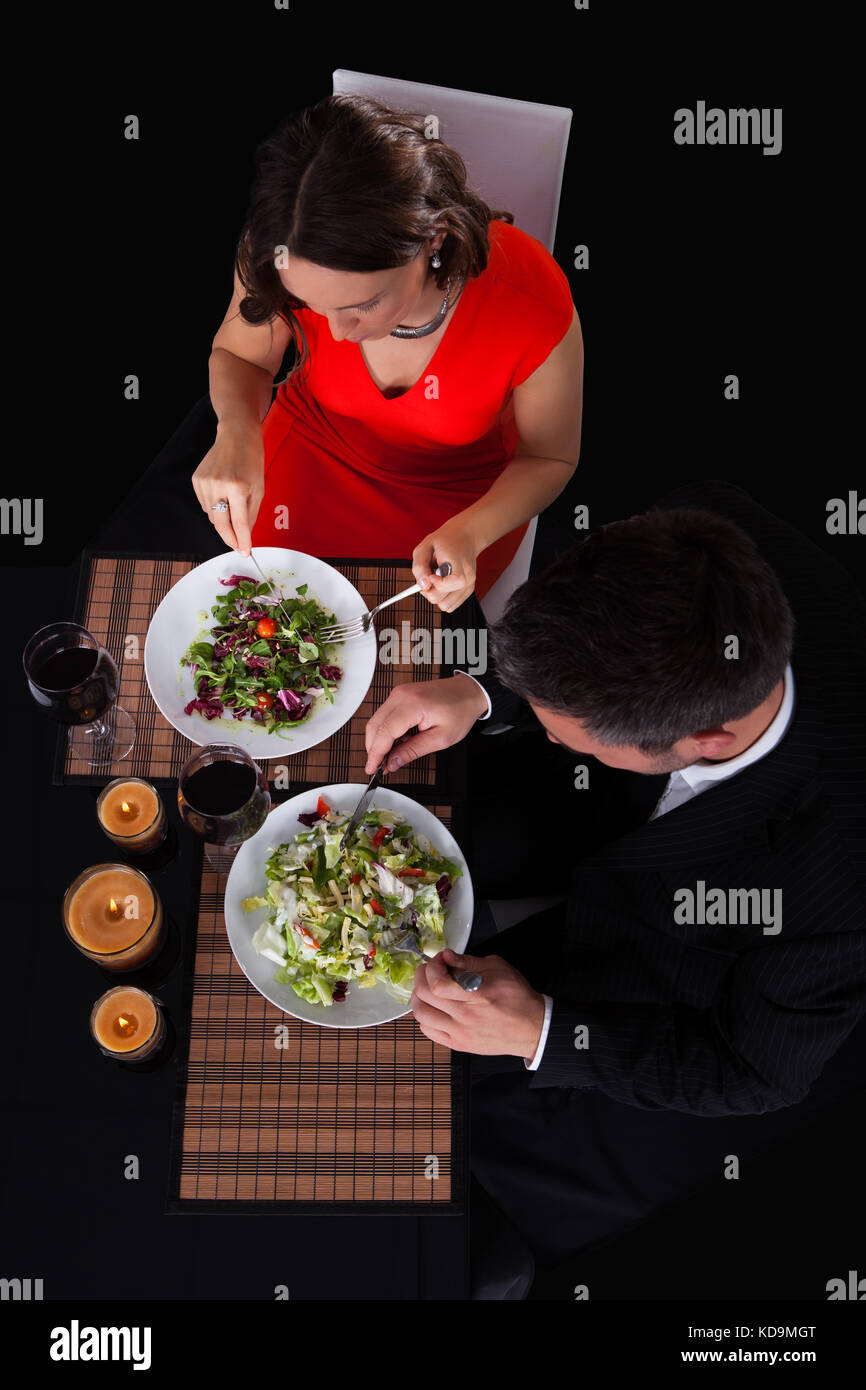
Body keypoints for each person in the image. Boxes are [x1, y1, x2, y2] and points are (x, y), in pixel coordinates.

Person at [362, 480, 866, 1295]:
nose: (556, 731)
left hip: (657, 970)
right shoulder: (702, 533)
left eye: (577, 737)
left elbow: (756, 1073)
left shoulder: (840, 885)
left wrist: (543, 1034)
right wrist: (484, 689)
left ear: (708, 739)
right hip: (581, 821)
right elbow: (580, 631)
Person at [190, 93, 583, 610]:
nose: (334, 334)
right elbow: (242, 357)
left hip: (462, 498)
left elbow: (549, 456)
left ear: (433, 240)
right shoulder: (281, 247)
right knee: (253, 621)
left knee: (396, 666)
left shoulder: (527, 300)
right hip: (315, 444)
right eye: (310, 306)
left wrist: (471, 531)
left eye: (363, 304)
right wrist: (237, 429)